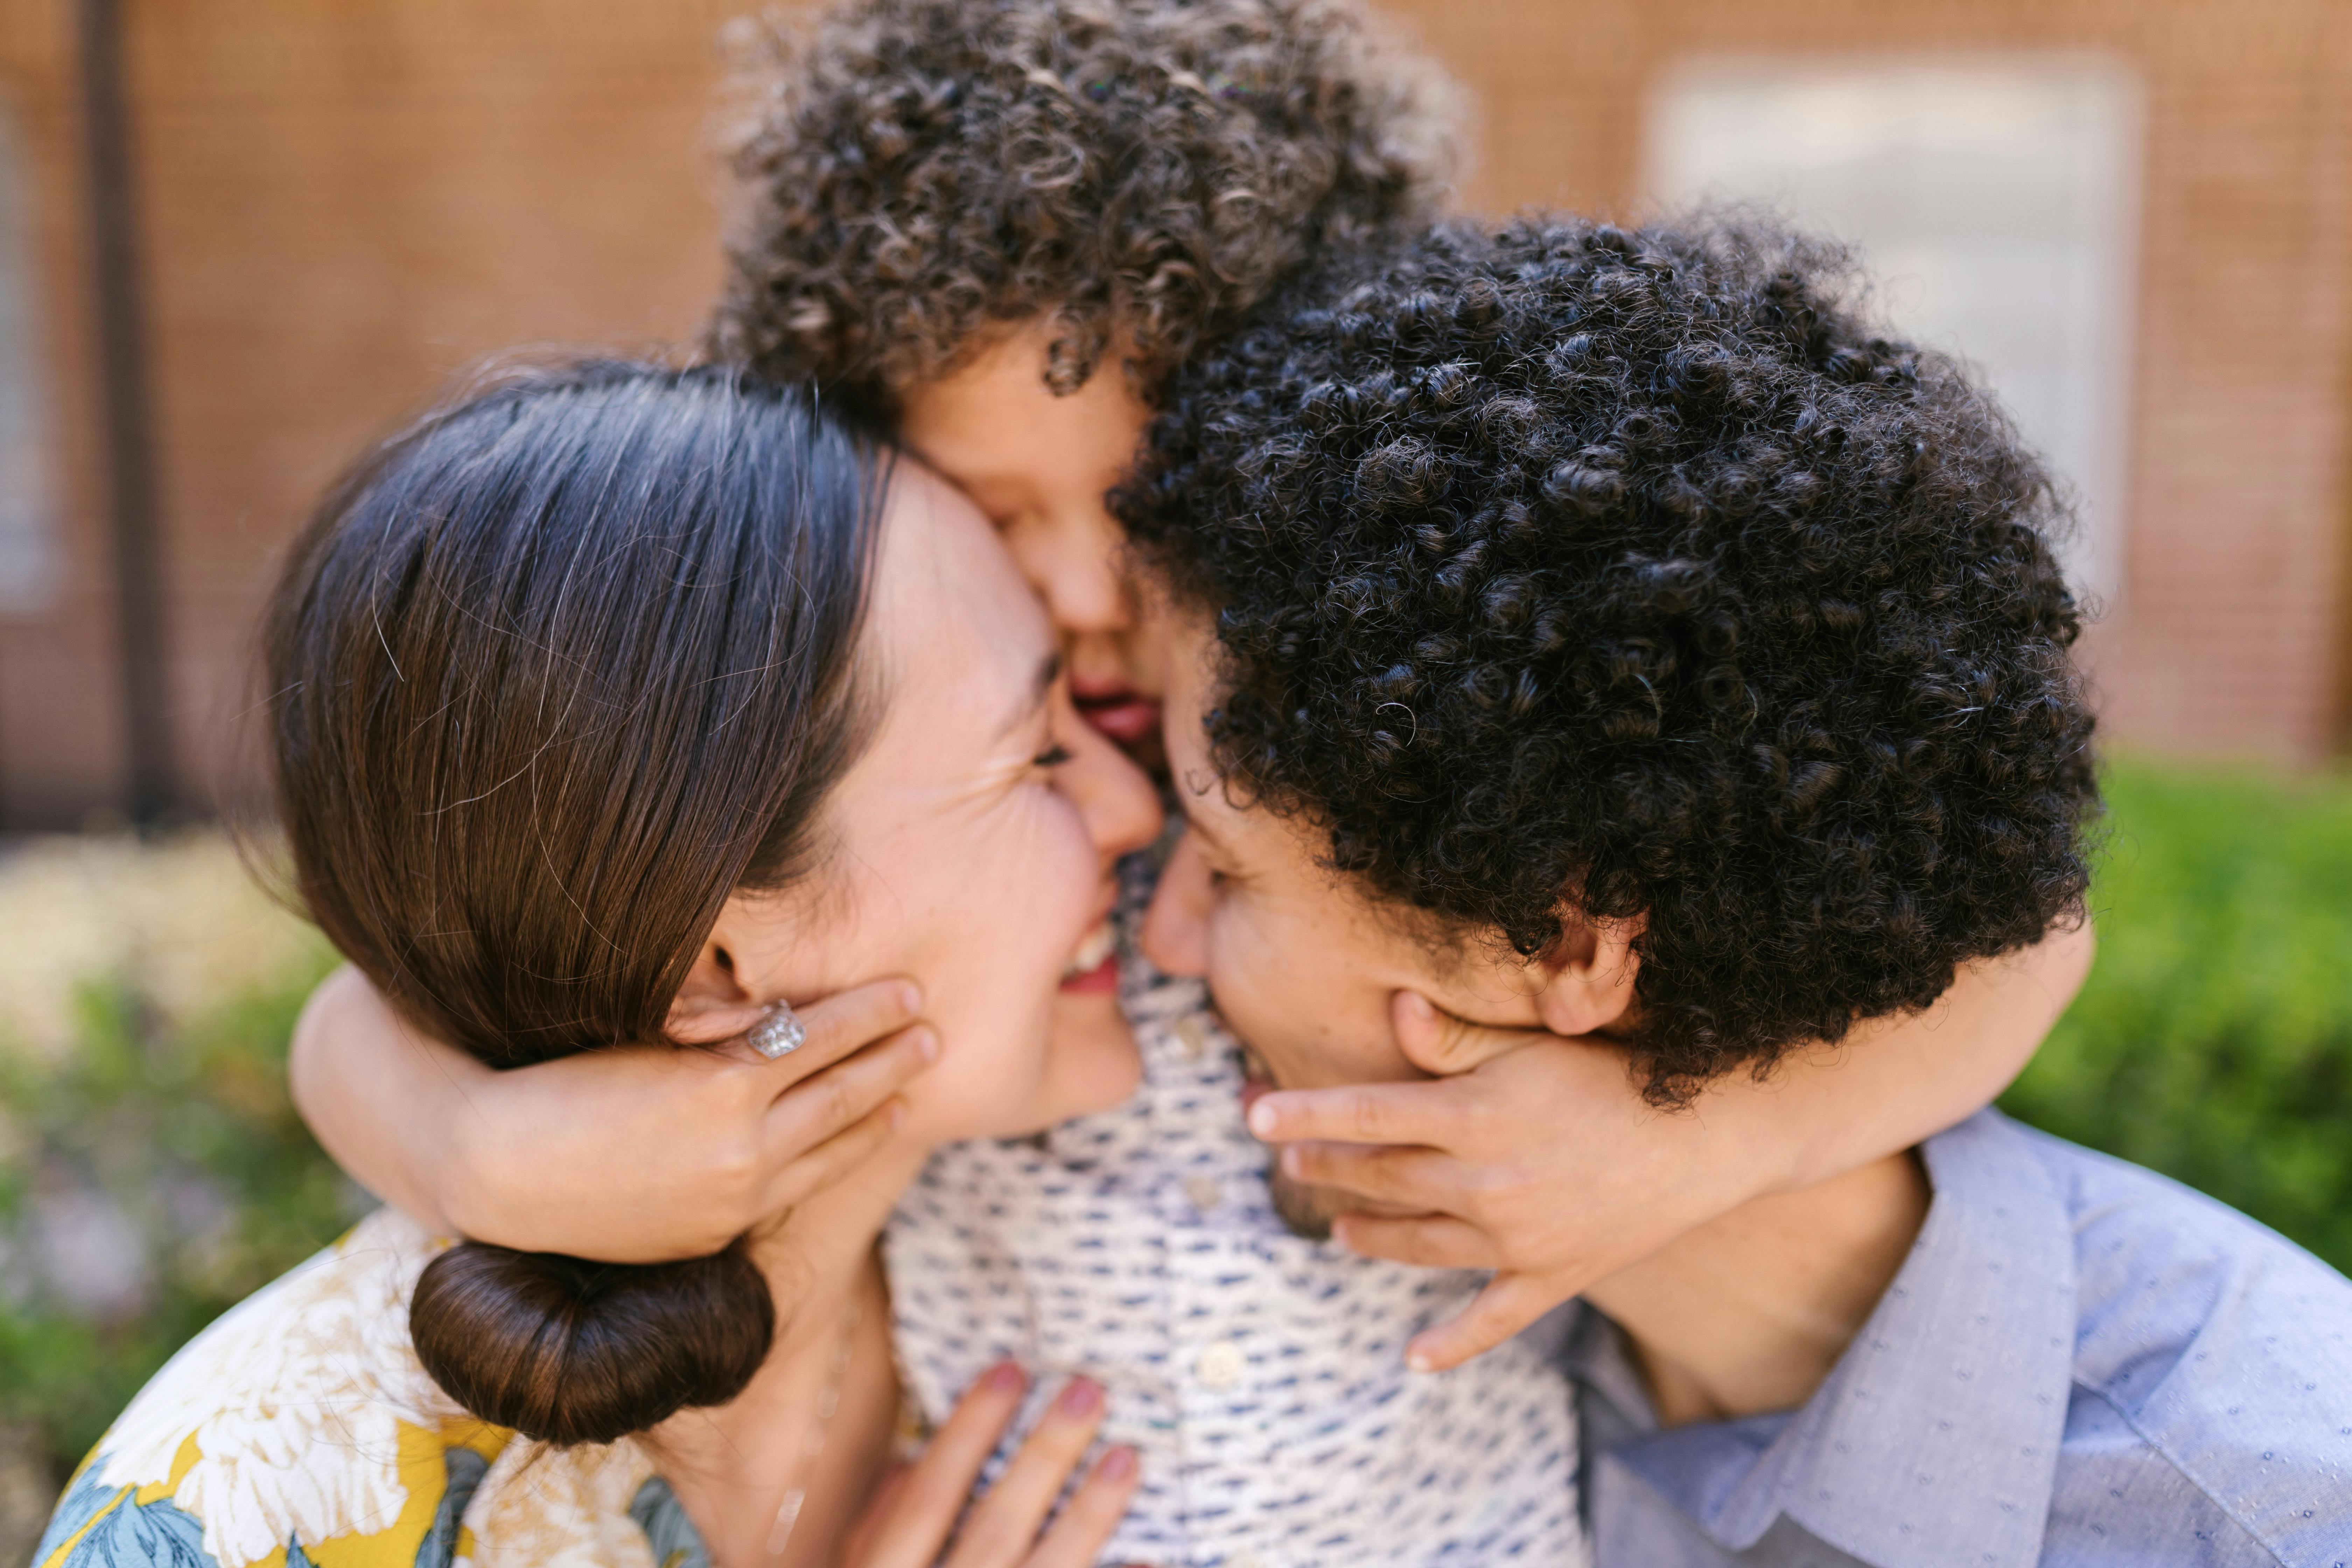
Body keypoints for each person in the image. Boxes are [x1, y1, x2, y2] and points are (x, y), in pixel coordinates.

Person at [285, 4, 2094, 1563]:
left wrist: (1686, 1143)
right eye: (996, 513)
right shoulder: (919, 817)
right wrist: (483, 1147)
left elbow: (2022, 936)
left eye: (1137, 509)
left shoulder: (1389, 795)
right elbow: (379, 1007)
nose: (1079, 598)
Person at [1117, 212, 2352, 1567]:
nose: (1162, 935)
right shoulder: (1445, 1403)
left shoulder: (2267, 1510)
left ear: (1573, 939)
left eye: (1226, 866)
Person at [34, 360, 1170, 1568]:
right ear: (717, 970)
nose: (1137, 812)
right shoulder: (259, 1505)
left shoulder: (1061, 1283)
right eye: (1039, 756)